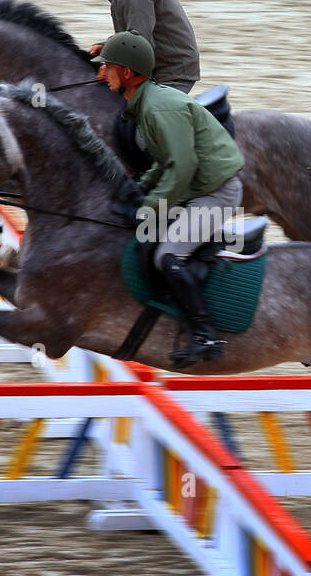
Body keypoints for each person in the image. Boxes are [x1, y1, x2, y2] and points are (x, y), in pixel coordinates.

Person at [93, 31, 244, 368]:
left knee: (167, 255)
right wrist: (140, 188)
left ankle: (205, 333)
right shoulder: (145, 104)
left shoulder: (158, 109)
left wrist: (149, 208)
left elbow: (182, 166)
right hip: (196, 185)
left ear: (129, 74)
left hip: (216, 192)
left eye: (110, 68)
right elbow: (164, 163)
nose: (104, 74)